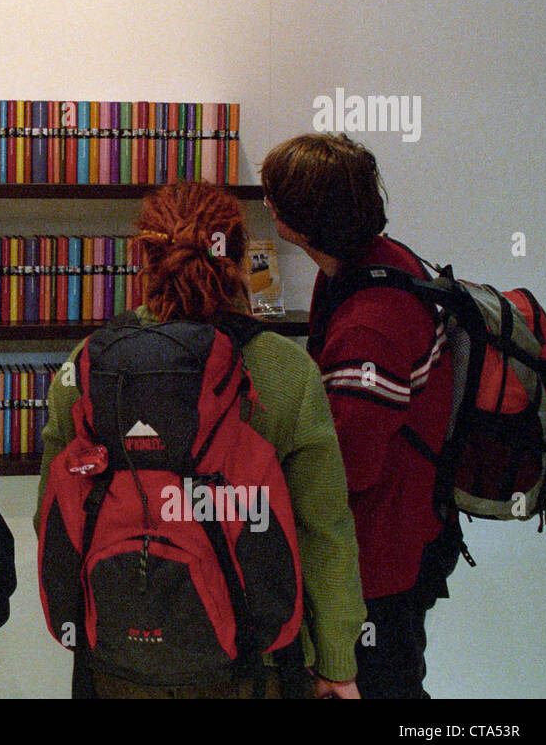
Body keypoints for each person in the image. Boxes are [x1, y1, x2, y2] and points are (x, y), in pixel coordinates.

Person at [36, 181, 365, 699]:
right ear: (235, 256)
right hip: (250, 665)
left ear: (144, 260)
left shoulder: (88, 363)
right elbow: (324, 529)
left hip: (117, 660)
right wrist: (337, 662)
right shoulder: (284, 369)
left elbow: (51, 513)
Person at [261, 134, 461, 699]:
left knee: (382, 689)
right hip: (398, 536)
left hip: (379, 558)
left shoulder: (370, 324)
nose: (268, 204)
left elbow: (345, 469)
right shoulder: (371, 264)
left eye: (276, 198)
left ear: (302, 221)